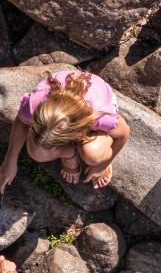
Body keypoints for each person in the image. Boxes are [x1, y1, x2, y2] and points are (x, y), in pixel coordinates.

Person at [0, 70, 130, 192]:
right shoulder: (34, 105)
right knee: (37, 152)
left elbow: (124, 133)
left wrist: (104, 163)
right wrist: (10, 160)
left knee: (93, 155)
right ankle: (69, 154)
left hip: (94, 94)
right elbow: (21, 122)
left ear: (76, 134)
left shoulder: (99, 117)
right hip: (65, 100)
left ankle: (75, 152)